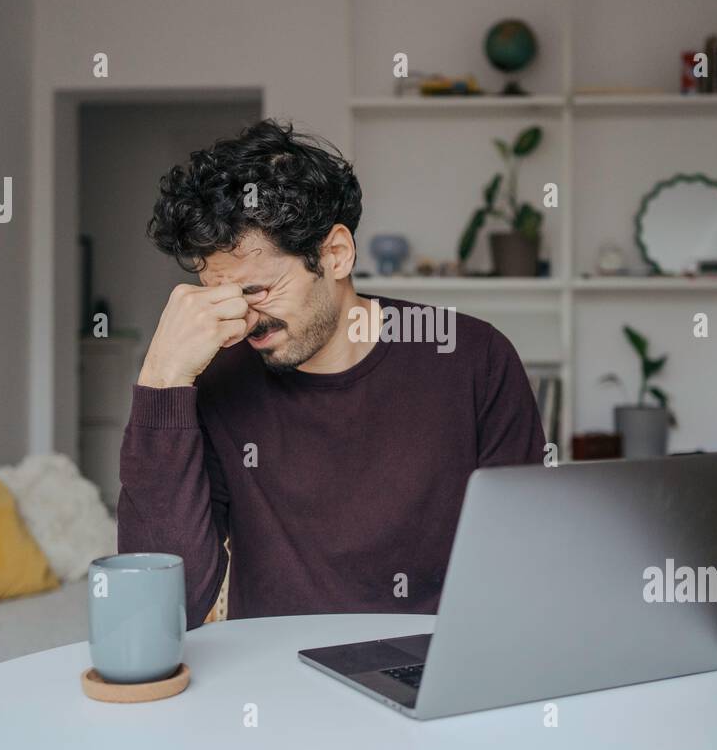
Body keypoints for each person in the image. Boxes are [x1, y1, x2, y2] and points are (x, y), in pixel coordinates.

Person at [117, 118, 545, 628]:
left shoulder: (474, 359)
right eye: (220, 295)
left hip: (436, 663)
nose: (244, 320)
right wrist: (163, 376)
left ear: (336, 254)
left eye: (256, 291)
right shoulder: (213, 379)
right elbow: (158, 613)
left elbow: (521, 563)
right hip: (277, 680)